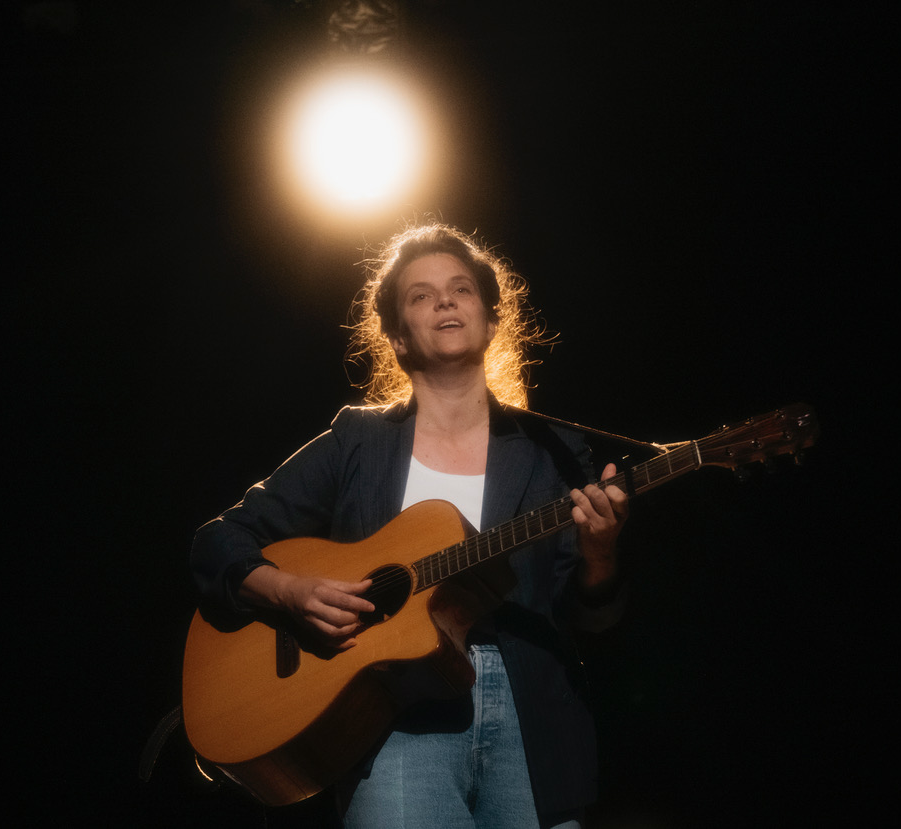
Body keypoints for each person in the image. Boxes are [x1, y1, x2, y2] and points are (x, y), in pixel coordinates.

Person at [190, 223, 629, 828]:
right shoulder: (358, 441)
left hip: (532, 721)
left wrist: (600, 555)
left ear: (492, 319)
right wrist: (290, 592)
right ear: (397, 337)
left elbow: (594, 623)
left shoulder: (553, 452)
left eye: (461, 289)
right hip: (393, 718)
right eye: (420, 295)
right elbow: (218, 541)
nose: (445, 300)